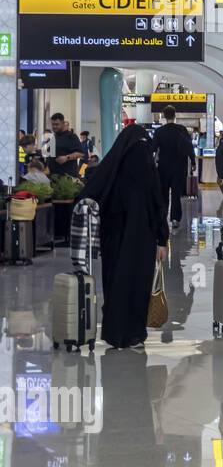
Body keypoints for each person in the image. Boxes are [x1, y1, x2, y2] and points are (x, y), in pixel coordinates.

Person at [78, 124, 169, 349]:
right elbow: (158, 204)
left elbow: (87, 197)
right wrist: (161, 238)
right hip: (142, 239)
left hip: (114, 239)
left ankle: (114, 331)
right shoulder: (148, 172)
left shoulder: (110, 173)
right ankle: (134, 333)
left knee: (114, 282)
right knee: (138, 284)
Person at [153, 106, 195, 228]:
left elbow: (153, 148)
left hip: (163, 167)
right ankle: (175, 219)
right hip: (179, 167)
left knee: (163, 193)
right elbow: (189, 146)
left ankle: (162, 217)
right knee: (176, 193)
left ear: (164, 116)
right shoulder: (181, 130)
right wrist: (192, 161)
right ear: (174, 115)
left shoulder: (159, 131)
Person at [49, 112, 84, 179]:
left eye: (57, 124)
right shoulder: (54, 136)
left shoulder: (71, 136)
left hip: (67, 177)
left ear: (63, 123)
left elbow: (80, 153)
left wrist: (66, 157)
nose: (54, 127)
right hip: (54, 176)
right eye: (53, 124)